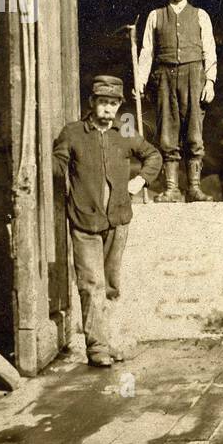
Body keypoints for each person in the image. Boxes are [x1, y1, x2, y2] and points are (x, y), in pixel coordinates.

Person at [53, 75, 162, 368]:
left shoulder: (124, 131)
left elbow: (153, 155)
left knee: (111, 284)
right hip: (84, 220)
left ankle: (109, 340)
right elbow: (57, 165)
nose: (108, 109)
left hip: (117, 220)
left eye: (113, 104)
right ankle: (97, 346)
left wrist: (139, 181)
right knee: (91, 283)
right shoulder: (73, 133)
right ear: (92, 103)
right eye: (103, 103)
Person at [134, 0, 217, 203]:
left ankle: (193, 188)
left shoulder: (201, 15)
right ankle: (171, 188)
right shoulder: (155, 16)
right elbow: (147, 51)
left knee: (194, 134)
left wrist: (210, 81)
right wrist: (141, 79)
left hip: (194, 77)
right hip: (164, 79)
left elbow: (209, 51)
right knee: (168, 134)